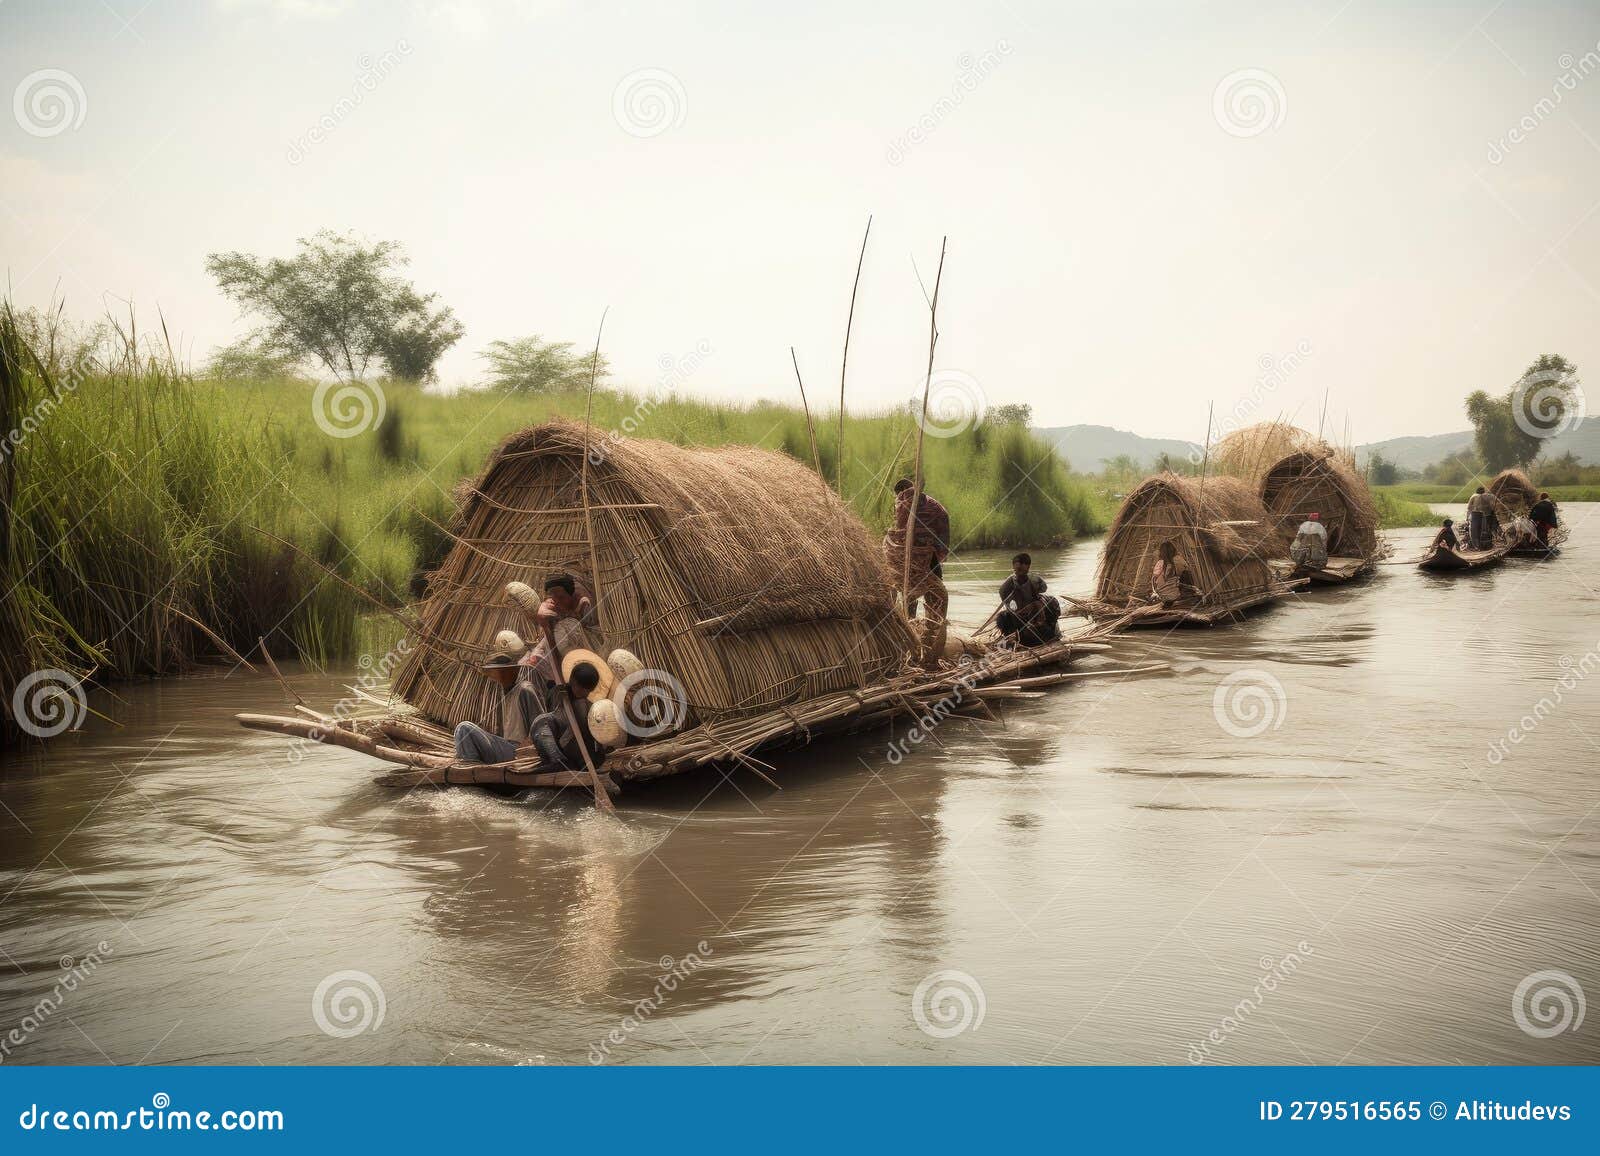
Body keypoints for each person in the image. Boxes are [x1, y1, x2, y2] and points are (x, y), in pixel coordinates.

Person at [891, 478, 950, 665]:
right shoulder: (935, 505)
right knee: (933, 596)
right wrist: (936, 554)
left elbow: (900, 529)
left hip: (913, 558)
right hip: (928, 557)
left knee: (910, 595)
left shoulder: (902, 502)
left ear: (899, 492)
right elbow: (942, 537)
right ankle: (928, 635)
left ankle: (915, 637)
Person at [454, 647, 543, 765]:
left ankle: (470, 767)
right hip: (507, 748)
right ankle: (472, 765)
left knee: (464, 728)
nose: (491, 677)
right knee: (465, 734)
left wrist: (528, 749)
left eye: (493, 673)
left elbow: (542, 725)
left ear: (506, 672)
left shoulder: (524, 690)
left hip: (519, 752)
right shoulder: (504, 694)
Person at [520, 572, 598, 703]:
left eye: (562, 597)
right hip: (555, 649)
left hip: (580, 651)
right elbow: (548, 638)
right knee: (530, 664)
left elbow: (589, 634)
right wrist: (544, 621)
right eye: (553, 598)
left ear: (571, 595)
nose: (557, 602)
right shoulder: (551, 606)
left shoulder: (583, 604)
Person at [527, 661, 608, 771]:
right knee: (541, 726)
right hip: (561, 745)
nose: (585, 694)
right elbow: (558, 723)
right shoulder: (558, 694)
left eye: (588, 691)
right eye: (581, 688)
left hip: (583, 751)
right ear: (573, 682)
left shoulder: (586, 704)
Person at [997, 552, 1061, 646]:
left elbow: (1044, 589)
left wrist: (1034, 606)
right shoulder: (1009, 583)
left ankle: (1049, 636)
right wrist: (1016, 610)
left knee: (1049, 606)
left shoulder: (1035, 580)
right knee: (1002, 618)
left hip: (1035, 611)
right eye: (1016, 570)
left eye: (1020, 569)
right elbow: (1003, 595)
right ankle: (1013, 639)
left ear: (1027, 567)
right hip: (1020, 613)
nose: (1017, 572)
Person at [1150, 540, 1192, 605]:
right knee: (1185, 574)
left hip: (1162, 595)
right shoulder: (1178, 559)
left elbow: (1155, 576)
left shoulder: (1160, 563)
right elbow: (1186, 568)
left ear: (1161, 552)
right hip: (1176, 595)